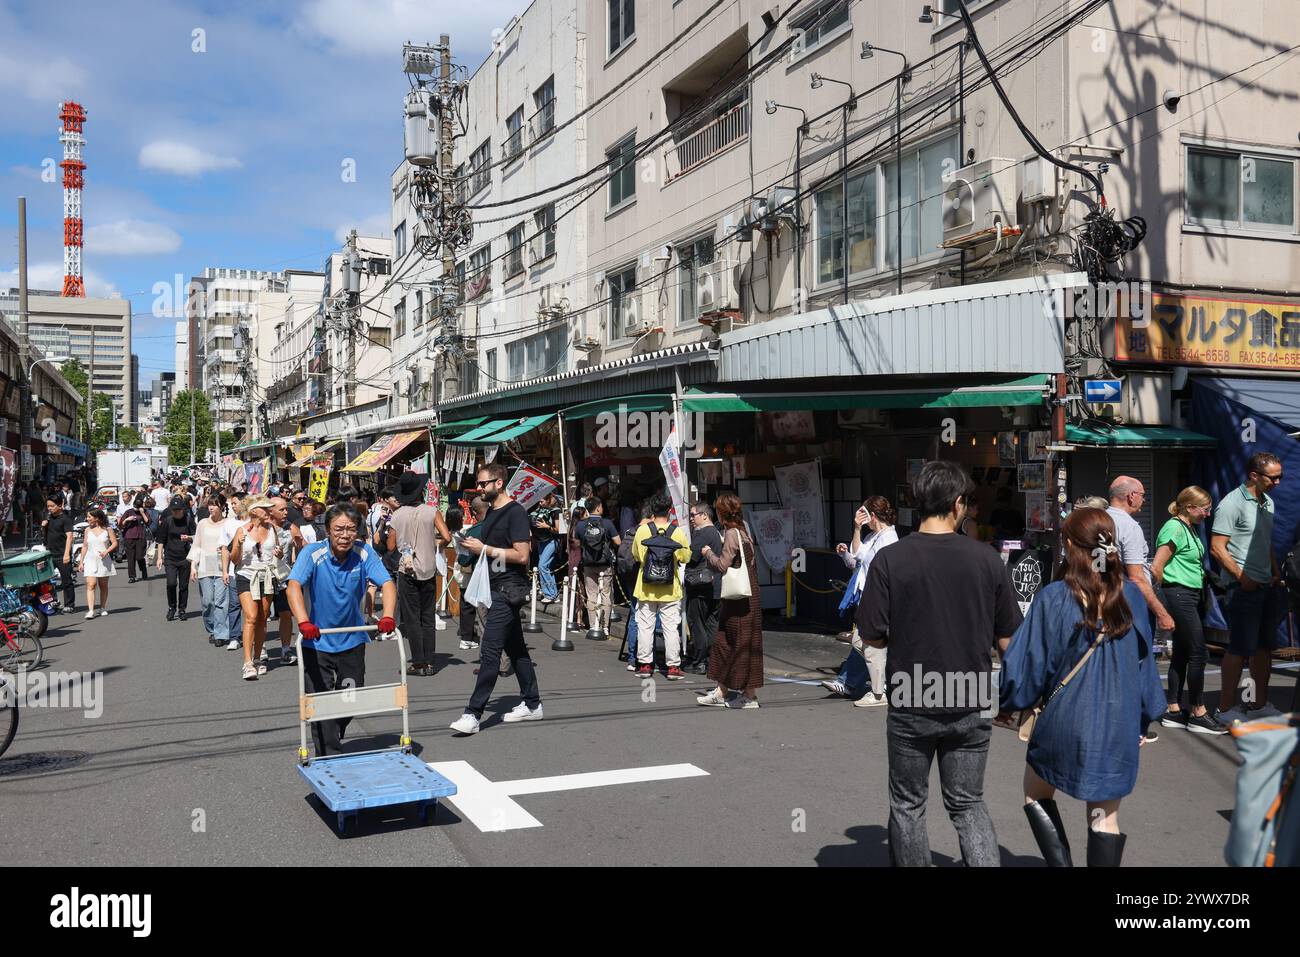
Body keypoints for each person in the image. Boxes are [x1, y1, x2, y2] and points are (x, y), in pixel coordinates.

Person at [857, 461, 1023, 868]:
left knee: (909, 804)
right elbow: (1010, 640)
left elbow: (872, 634)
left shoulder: (891, 560)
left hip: (912, 695)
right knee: (968, 803)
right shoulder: (986, 560)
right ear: (958, 503)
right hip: (972, 694)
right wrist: (1018, 697)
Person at [999, 507, 1166, 867]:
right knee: (1104, 817)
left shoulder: (1055, 597)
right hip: (1118, 722)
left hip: (1065, 717)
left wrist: (1011, 701)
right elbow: (1144, 667)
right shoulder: (1131, 598)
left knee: (1036, 793)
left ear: (1070, 545)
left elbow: (1028, 662)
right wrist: (1142, 719)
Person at [287, 502, 397, 756]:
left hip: (351, 640)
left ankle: (333, 728)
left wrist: (388, 616)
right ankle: (329, 757)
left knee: (349, 698)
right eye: (339, 529)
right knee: (322, 703)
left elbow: (387, 584)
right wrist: (304, 622)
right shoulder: (313, 554)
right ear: (327, 530)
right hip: (317, 640)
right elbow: (294, 585)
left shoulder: (364, 553)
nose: (345, 535)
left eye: (351, 529)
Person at [449, 462, 544, 734]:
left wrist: (486, 548)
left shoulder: (515, 512)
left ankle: (473, 714)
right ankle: (533, 703)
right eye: (478, 484)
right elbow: (491, 551)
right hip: (493, 587)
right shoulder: (491, 512)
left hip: (508, 589)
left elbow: (522, 556)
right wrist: (471, 546)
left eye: (483, 484)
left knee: (490, 650)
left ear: (498, 483)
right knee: (516, 650)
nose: (479, 489)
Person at [1210, 452, 1286, 723]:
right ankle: (1225, 709)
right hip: (1242, 588)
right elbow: (1217, 548)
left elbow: (1265, 543)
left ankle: (1259, 704)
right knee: (1239, 648)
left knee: (1265, 647)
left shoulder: (1268, 503)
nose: (1278, 482)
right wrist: (1243, 578)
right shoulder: (1231, 504)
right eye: (1273, 477)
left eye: (1281, 476)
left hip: (1266, 585)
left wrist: (1275, 572)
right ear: (1254, 475)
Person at [1151, 486, 1225, 735]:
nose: (1208, 513)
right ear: (1189, 507)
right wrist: (1162, 604)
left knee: (1183, 652)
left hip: (1189, 594)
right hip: (1178, 594)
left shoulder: (1188, 528)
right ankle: (1198, 712)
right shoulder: (1174, 527)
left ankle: (1173, 709)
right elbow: (1157, 567)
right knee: (1199, 653)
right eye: (1205, 509)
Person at [1106, 475, 1173, 743]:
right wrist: (1161, 611)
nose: (1144, 501)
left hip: (1104, 598)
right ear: (1131, 496)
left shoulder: (1098, 520)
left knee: (1110, 663)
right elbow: (1136, 576)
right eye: (1142, 495)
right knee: (1136, 663)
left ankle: (1111, 723)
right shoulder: (1129, 526)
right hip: (1128, 600)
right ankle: (1134, 727)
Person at [823, 496, 899, 706]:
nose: (862, 519)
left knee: (868, 642)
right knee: (868, 643)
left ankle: (875, 688)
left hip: (879, 599)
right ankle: (865, 684)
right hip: (867, 597)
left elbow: (883, 571)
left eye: (864, 515)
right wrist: (856, 531)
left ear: (872, 515)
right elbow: (855, 559)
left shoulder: (888, 539)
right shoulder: (872, 536)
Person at [698, 492, 766, 708]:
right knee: (740, 642)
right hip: (750, 594)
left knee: (731, 641)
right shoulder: (744, 530)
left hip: (738, 599)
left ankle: (747, 696)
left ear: (721, 512)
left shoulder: (730, 533)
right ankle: (728, 691)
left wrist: (708, 553)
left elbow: (722, 565)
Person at [388, 472, 452, 677]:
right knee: (427, 617)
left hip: (407, 570)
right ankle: (430, 661)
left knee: (412, 617)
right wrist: (433, 544)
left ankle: (418, 662)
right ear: (420, 491)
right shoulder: (432, 511)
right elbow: (447, 536)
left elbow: (390, 546)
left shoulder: (397, 515)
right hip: (428, 569)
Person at [629, 494, 691, 679]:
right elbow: (686, 557)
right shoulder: (677, 532)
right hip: (670, 588)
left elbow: (637, 556)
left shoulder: (642, 531)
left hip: (646, 587)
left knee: (645, 627)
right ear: (669, 510)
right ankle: (672, 667)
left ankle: (645, 665)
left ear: (652, 510)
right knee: (671, 628)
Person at [227, 498, 279, 680]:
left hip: (267, 575)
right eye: (265, 508)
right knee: (251, 616)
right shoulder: (241, 530)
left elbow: (277, 550)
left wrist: (278, 554)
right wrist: (239, 544)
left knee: (263, 618)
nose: (268, 511)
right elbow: (234, 559)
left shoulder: (272, 528)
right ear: (254, 511)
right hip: (246, 575)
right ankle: (247, 662)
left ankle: (258, 658)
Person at [193, 495, 239, 649]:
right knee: (208, 602)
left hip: (222, 567)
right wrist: (193, 565)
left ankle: (221, 633)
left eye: (214, 505)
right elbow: (197, 545)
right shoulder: (202, 524)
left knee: (221, 602)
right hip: (205, 566)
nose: (211, 508)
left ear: (221, 506)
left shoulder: (228, 523)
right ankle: (211, 629)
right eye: (209, 505)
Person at [683, 503, 723, 674]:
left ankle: (700, 662)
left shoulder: (702, 533)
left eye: (694, 515)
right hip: (716, 586)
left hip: (700, 587)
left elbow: (691, 557)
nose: (691, 518)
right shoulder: (715, 532)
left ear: (705, 515)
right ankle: (712, 661)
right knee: (711, 624)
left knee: (697, 623)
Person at [576, 496, 621, 640]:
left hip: (588, 564)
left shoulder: (581, 525)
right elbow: (618, 542)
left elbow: (577, 543)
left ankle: (593, 625)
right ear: (597, 508)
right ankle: (605, 627)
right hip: (605, 563)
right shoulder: (607, 523)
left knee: (591, 594)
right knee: (606, 594)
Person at [268, 496, 302, 667]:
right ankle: (259, 649)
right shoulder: (262, 527)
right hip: (264, 576)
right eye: (281, 510)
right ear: (271, 511)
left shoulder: (291, 528)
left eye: (286, 509)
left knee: (286, 614)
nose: (285, 512)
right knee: (260, 615)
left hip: (284, 576)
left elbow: (302, 547)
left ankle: (285, 649)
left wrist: (300, 545)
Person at [155, 496, 197, 621]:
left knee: (183, 586)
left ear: (183, 510)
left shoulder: (189, 521)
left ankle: (182, 609)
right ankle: (172, 607)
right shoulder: (167, 521)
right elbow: (161, 540)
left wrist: (189, 538)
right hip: (170, 557)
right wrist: (159, 557)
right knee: (171, 583)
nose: (176, 512)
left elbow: (196, 537)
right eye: (173, 510)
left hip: (185, 557)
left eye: (178, 510)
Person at [456, 496, 489, 652]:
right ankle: (504, 661)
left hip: (483, 579)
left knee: (485, 621)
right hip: (506, 577)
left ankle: (489, 660)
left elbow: (464, 559)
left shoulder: (474, 531)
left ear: (475, 513)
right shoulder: (504, 526)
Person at [78, 508, 117, 619]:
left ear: (97, 518)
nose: (87, 518)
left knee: (103, 585)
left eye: (90, 516)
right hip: (90, 560)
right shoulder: (87, 530)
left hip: (104, 560)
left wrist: (106, 551)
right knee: (91, 584)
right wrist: (81, 562)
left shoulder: (108, 529)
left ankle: (103, 607)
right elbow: (85, 546)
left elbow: (114, 543)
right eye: (87, 516)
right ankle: (91, 610)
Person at [42, 495, 76, 612]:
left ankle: (69, 605)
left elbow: (69, 537)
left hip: (62, 554)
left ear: (60, 505)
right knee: (45, 582)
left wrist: (67, 554)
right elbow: (46, 537)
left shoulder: (65, 519)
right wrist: (44, 526)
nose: (50, 508)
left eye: (52, 506)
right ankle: (50, 603)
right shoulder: (49, 519)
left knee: (66, 580)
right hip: (49, 554)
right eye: (48, 506)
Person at [532, 492, 562, 605]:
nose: (540, 503)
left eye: (542, 501)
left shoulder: (555, 511)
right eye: (538, 501)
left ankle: (550, 594)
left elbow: (558, 529)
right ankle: (553, 593)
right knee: (546, 567)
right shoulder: (540, 510)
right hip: (541, 541)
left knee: (542, 566)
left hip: (552, 540)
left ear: (548, 499)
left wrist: (546, 526)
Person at [117, 494, 150, 582]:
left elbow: (148, 522)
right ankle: (132, 576)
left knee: (140, 556)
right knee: (131, 558)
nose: (136, 509)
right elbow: (120, 525)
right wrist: (127, 519)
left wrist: (142, 513)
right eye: (136, 507)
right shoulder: (128, 512)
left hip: (141, 536)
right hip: (129, 536)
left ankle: (143, 571)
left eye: (138, 507)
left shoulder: (144, 511)